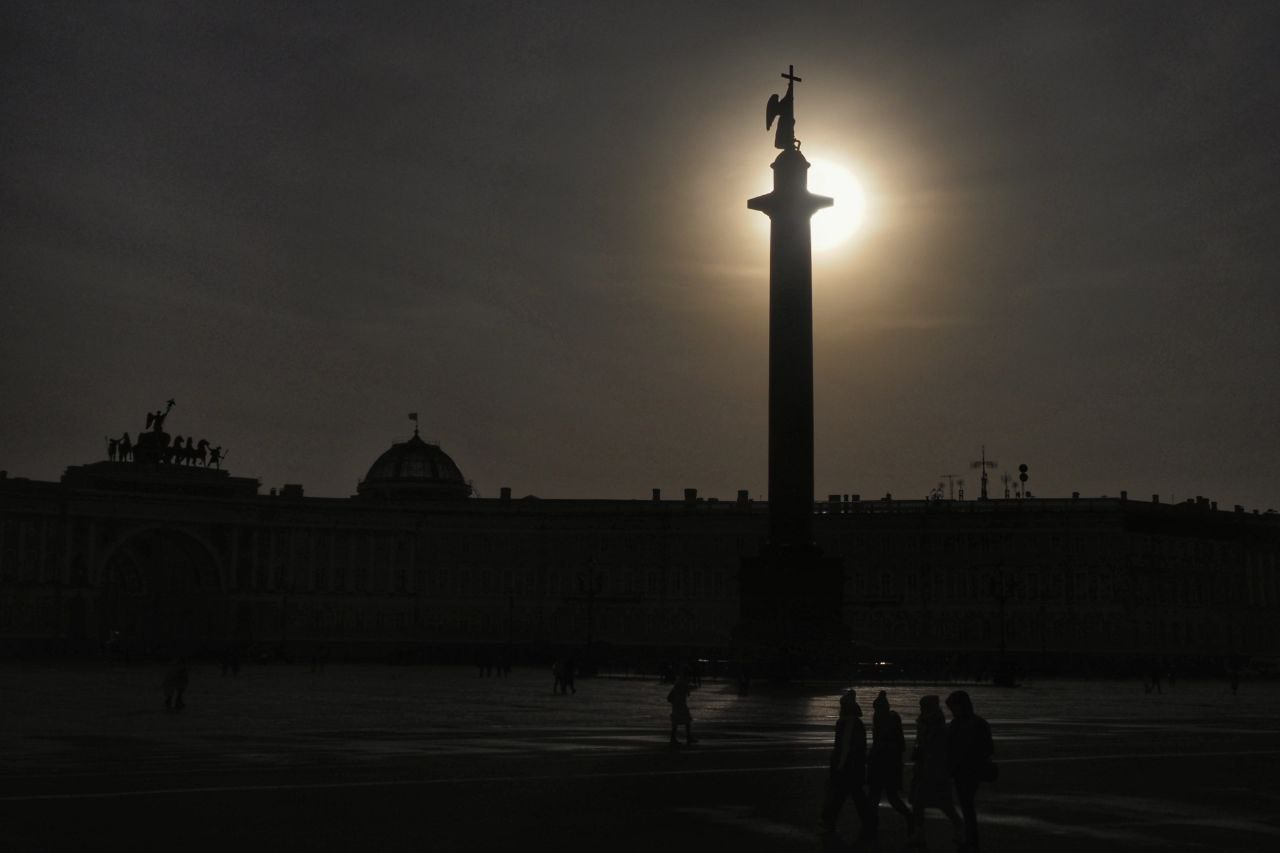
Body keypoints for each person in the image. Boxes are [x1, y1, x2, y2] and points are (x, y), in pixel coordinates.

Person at [908, 695, 964, 846]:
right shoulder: (929, 723)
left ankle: (959, 827)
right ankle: (920, 831)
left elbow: (932, 748)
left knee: (940, 802)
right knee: (922, 802)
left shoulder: (936, 726)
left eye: (923, 706)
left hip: (934, 770)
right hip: (927, 769)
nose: (921, 709)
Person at [820, 690, 872, 840]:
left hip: (848, 766)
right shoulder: (856, 723)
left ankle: (829, 822)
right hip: (855, 766)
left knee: (840, 795)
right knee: (854, 795)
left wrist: (839, 766)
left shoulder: (846, 723)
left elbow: (844, 747)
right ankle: (868, 823)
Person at [946, 690, 994, 852]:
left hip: (964, 770)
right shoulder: (979, 723)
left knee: (966, 804)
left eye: (953, 707)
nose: (952, 711)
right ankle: (971, 838)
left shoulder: (957, 724)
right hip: (970, 769)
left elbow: (949, 748)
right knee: (967, 804)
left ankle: (971, 839)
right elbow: (988, 749)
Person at [865, 690, 915, 840]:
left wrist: (872, 755)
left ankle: (871, 828)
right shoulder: (892, 718)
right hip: (890, 764)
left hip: (882, 764)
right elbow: (898, 745)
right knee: (889, 796)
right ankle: (908, 818)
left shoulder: (883, 719)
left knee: (875, 796)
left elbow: (882, 744)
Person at [667, 673, 697, 745]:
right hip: (680, 704)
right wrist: (693, 687)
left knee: (677, 721)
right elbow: (687, 690)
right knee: (686, 720)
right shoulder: (683, 683)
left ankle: (674, 738)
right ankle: (688, 737)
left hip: (676, 704)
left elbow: (671, 694)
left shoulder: (678, 683)